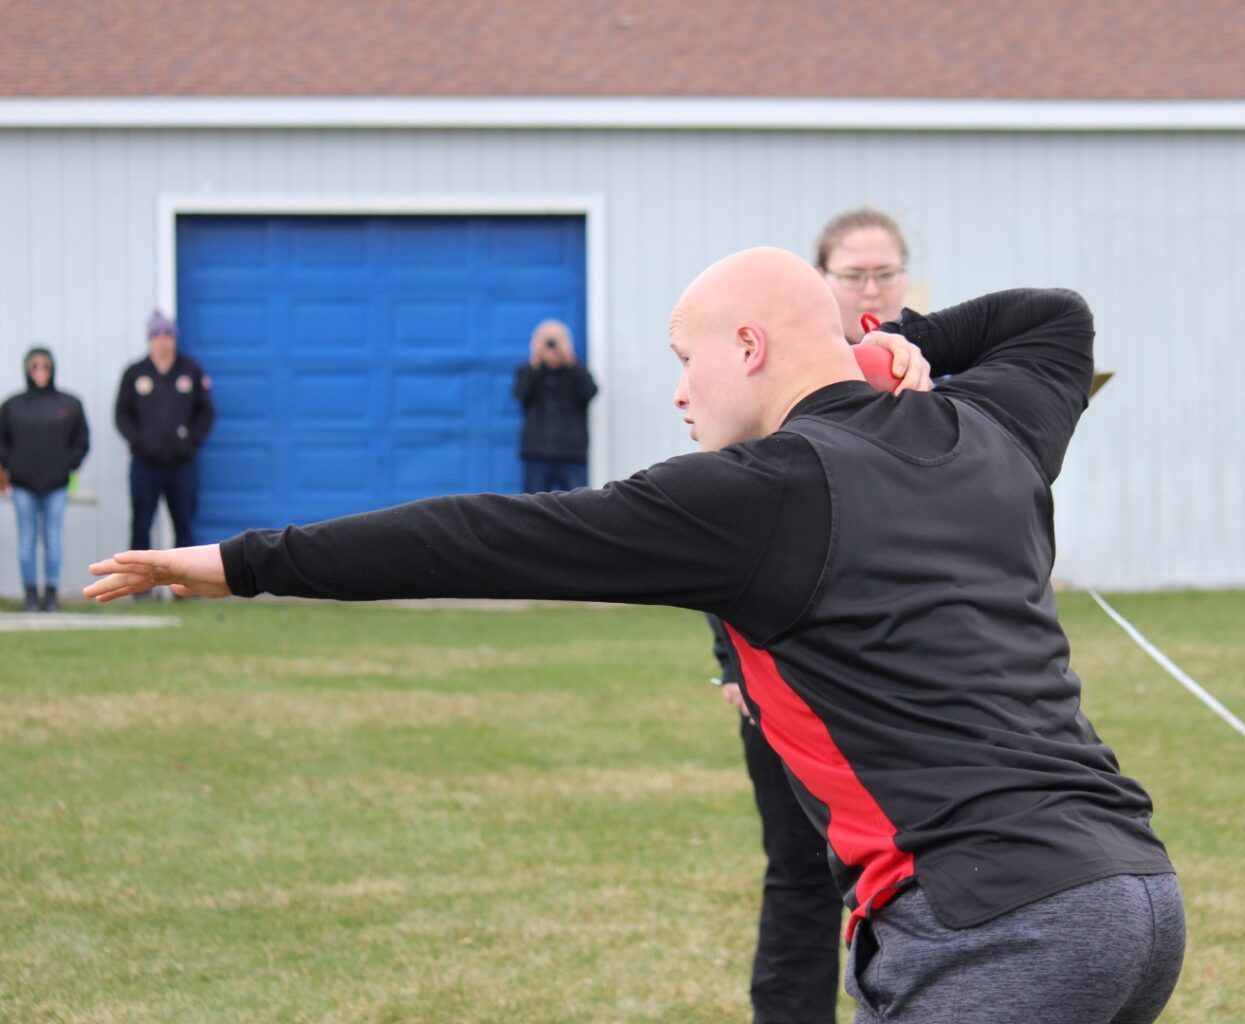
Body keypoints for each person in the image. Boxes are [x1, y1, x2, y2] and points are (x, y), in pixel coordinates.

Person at [86, 248, 1183, 1024]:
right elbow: (1055, 318)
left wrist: (244, 561)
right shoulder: (989, 426)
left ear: (749, 346)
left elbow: (481, 536)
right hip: (1134, 895)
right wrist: (884, 347)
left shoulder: (756, 496)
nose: (675, 392)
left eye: (685, 356)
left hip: (997, 925)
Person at [706, 207, 914, 1024]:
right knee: (798, 873)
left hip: (899, 680)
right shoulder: (780, 386)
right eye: (854, 273)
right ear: (821, 283)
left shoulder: (928, 379)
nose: (872, 287)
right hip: (791, 678)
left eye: (886, 272)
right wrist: (733, 662)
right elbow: (721, 526)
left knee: (906, 878)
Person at [114, 310, 215, 553]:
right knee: (141, 525)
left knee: (184, 526)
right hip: (145, 464)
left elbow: (206, 413)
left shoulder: (190, 370)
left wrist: (190, 442)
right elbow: (121, 415)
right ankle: (140, 586)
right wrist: (139, 441)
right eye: (157, 334)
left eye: (168, 333)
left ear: (175, 337)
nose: (163, 339)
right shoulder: (135, 373)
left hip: (182, 464)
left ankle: (183, 588)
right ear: (149, 338)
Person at [0, 347, 89, 612]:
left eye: (45, 366)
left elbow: (81, 441)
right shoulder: (12, 405)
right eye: (35, 366)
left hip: (56, 485)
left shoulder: (68, 404)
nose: (40, 370)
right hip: (23, 485)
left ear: (52, 369)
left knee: (53, 538)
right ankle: (30, 593)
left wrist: (68, 466)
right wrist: (10, 466)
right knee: (27, 538)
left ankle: (50, 593)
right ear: (27, 370)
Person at [512, 318, 598, 493]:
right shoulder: (528, 372)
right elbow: (520, 394)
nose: (551, 347)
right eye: (547, 341)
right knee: (532, 507)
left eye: (556, 340)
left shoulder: (575, 373)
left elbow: (589, 392)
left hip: (571, 453)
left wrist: (571, 361)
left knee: (577, 504)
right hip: (537, 452)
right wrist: (535, 361)